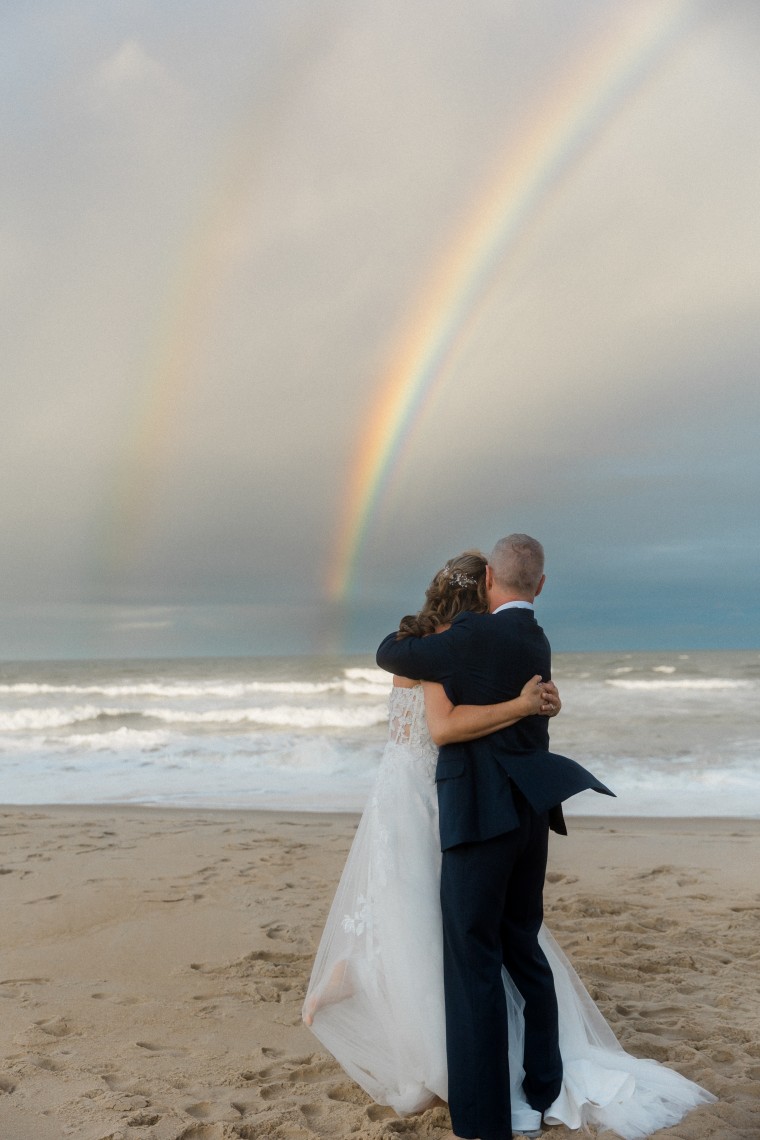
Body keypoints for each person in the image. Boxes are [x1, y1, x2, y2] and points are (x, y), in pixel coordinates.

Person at [304, 546, 715, 1139]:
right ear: (531, 584)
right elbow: (491, 714)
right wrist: (526, 704)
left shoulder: (455, 643)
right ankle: (539, 1084)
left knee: (467, 952)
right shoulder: (531, 638)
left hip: (462, 807)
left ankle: (483, 1107)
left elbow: (434, 715)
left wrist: (509, 696)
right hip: (499, 807)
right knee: (513, 944)